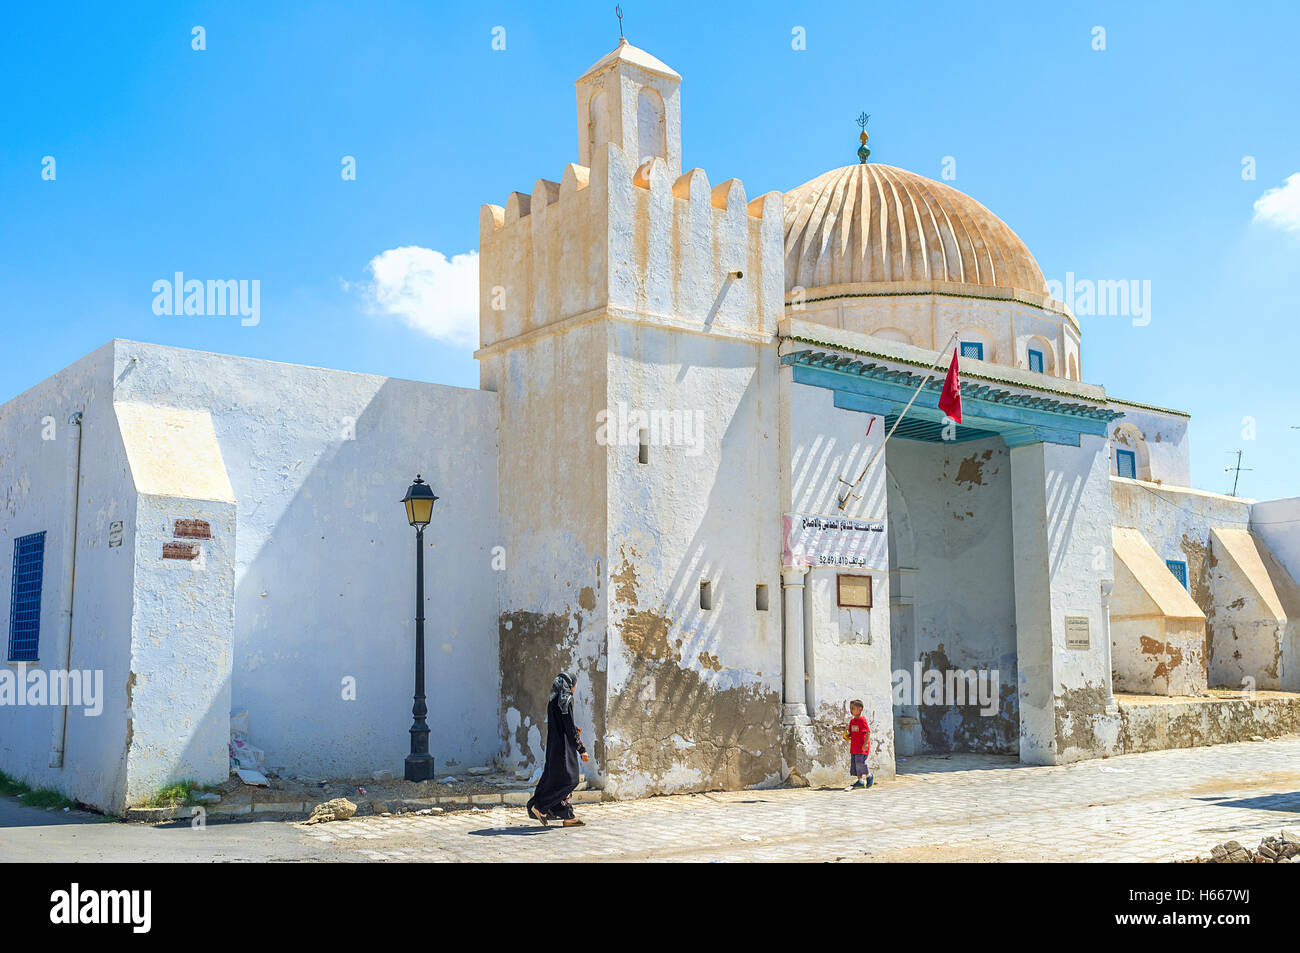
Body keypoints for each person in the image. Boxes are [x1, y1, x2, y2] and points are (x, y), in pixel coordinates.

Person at [526, 672, 590, 826]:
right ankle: (540, 806)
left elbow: (564, 723)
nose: (575, 687)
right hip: (563, 749)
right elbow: (567, 727)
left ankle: (568, 816)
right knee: (571, 779)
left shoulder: (554, 701)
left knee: (557, 779)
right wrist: (581, 749)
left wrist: (574, 728)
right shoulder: (566, 701)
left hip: (554, 746)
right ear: (569, 685)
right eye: (574, 684)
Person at [844, 699, 873, 790]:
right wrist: (846, 735)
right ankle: (860, 781)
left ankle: (869, 775)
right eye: (850, 708)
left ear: (860, 709)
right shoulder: (852, 721)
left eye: (853, 708)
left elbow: (867, 732)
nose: (851, 710)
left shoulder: (862, 720)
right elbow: (851, 733)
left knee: (861, 764)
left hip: (861, 747)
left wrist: (865, 744)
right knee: (855, 765)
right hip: (854, 748)